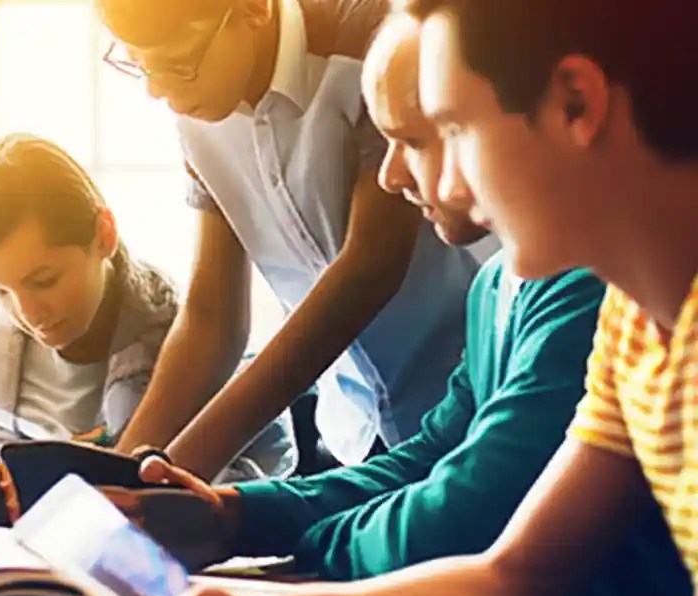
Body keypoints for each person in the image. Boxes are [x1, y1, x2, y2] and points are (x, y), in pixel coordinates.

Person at [120, 1, 698, 596]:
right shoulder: (633, 324)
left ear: (577, 103)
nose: (432, 181)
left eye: (450, 128)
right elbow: (517, 579)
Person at [99, 0, 493, 481]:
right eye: (139, 64)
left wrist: (179, 464)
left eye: (177, 63)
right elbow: (211, 319)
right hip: (352, 433)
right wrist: (119, 471)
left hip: (470, 396)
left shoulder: (369, 45)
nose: (157, 91)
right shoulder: (198, 113)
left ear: (253, 10)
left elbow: (370, 269)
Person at [0, 134, 292, 479]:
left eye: (44, 281)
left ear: (104, 235)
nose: (29, 315)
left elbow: (248, 488)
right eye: (0, 292)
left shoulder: (199, 358)